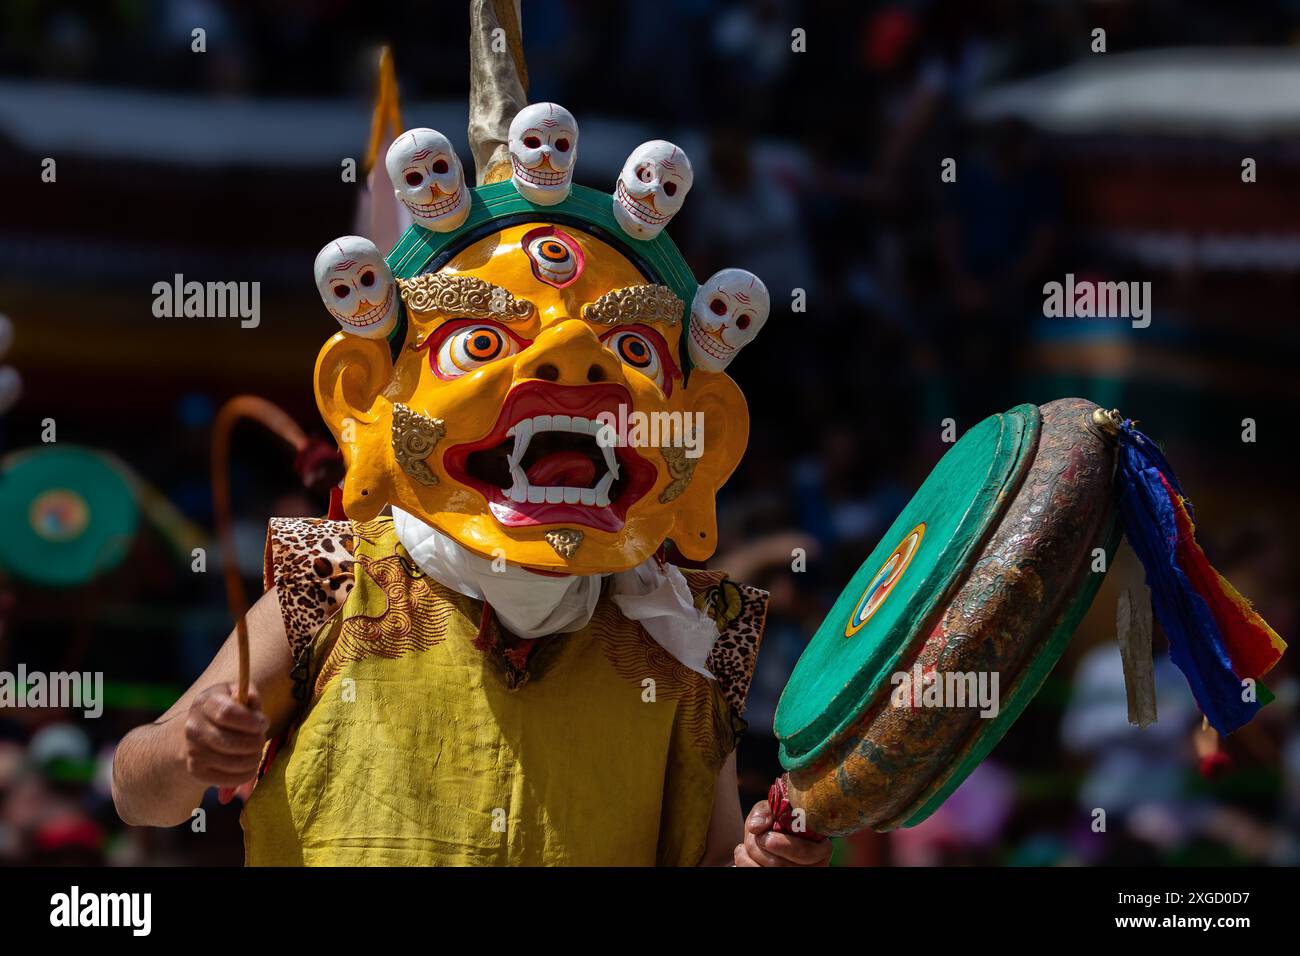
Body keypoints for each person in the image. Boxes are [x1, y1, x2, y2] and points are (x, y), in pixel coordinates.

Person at [111, 1, 829, 868]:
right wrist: (189, 749)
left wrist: (755, 863)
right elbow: (137, 790)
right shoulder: (335, 585)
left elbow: (713, 858)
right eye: (484, 342)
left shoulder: (680, 631)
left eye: (629, 346)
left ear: (704, 436)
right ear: (368, 396)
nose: (572, 358)